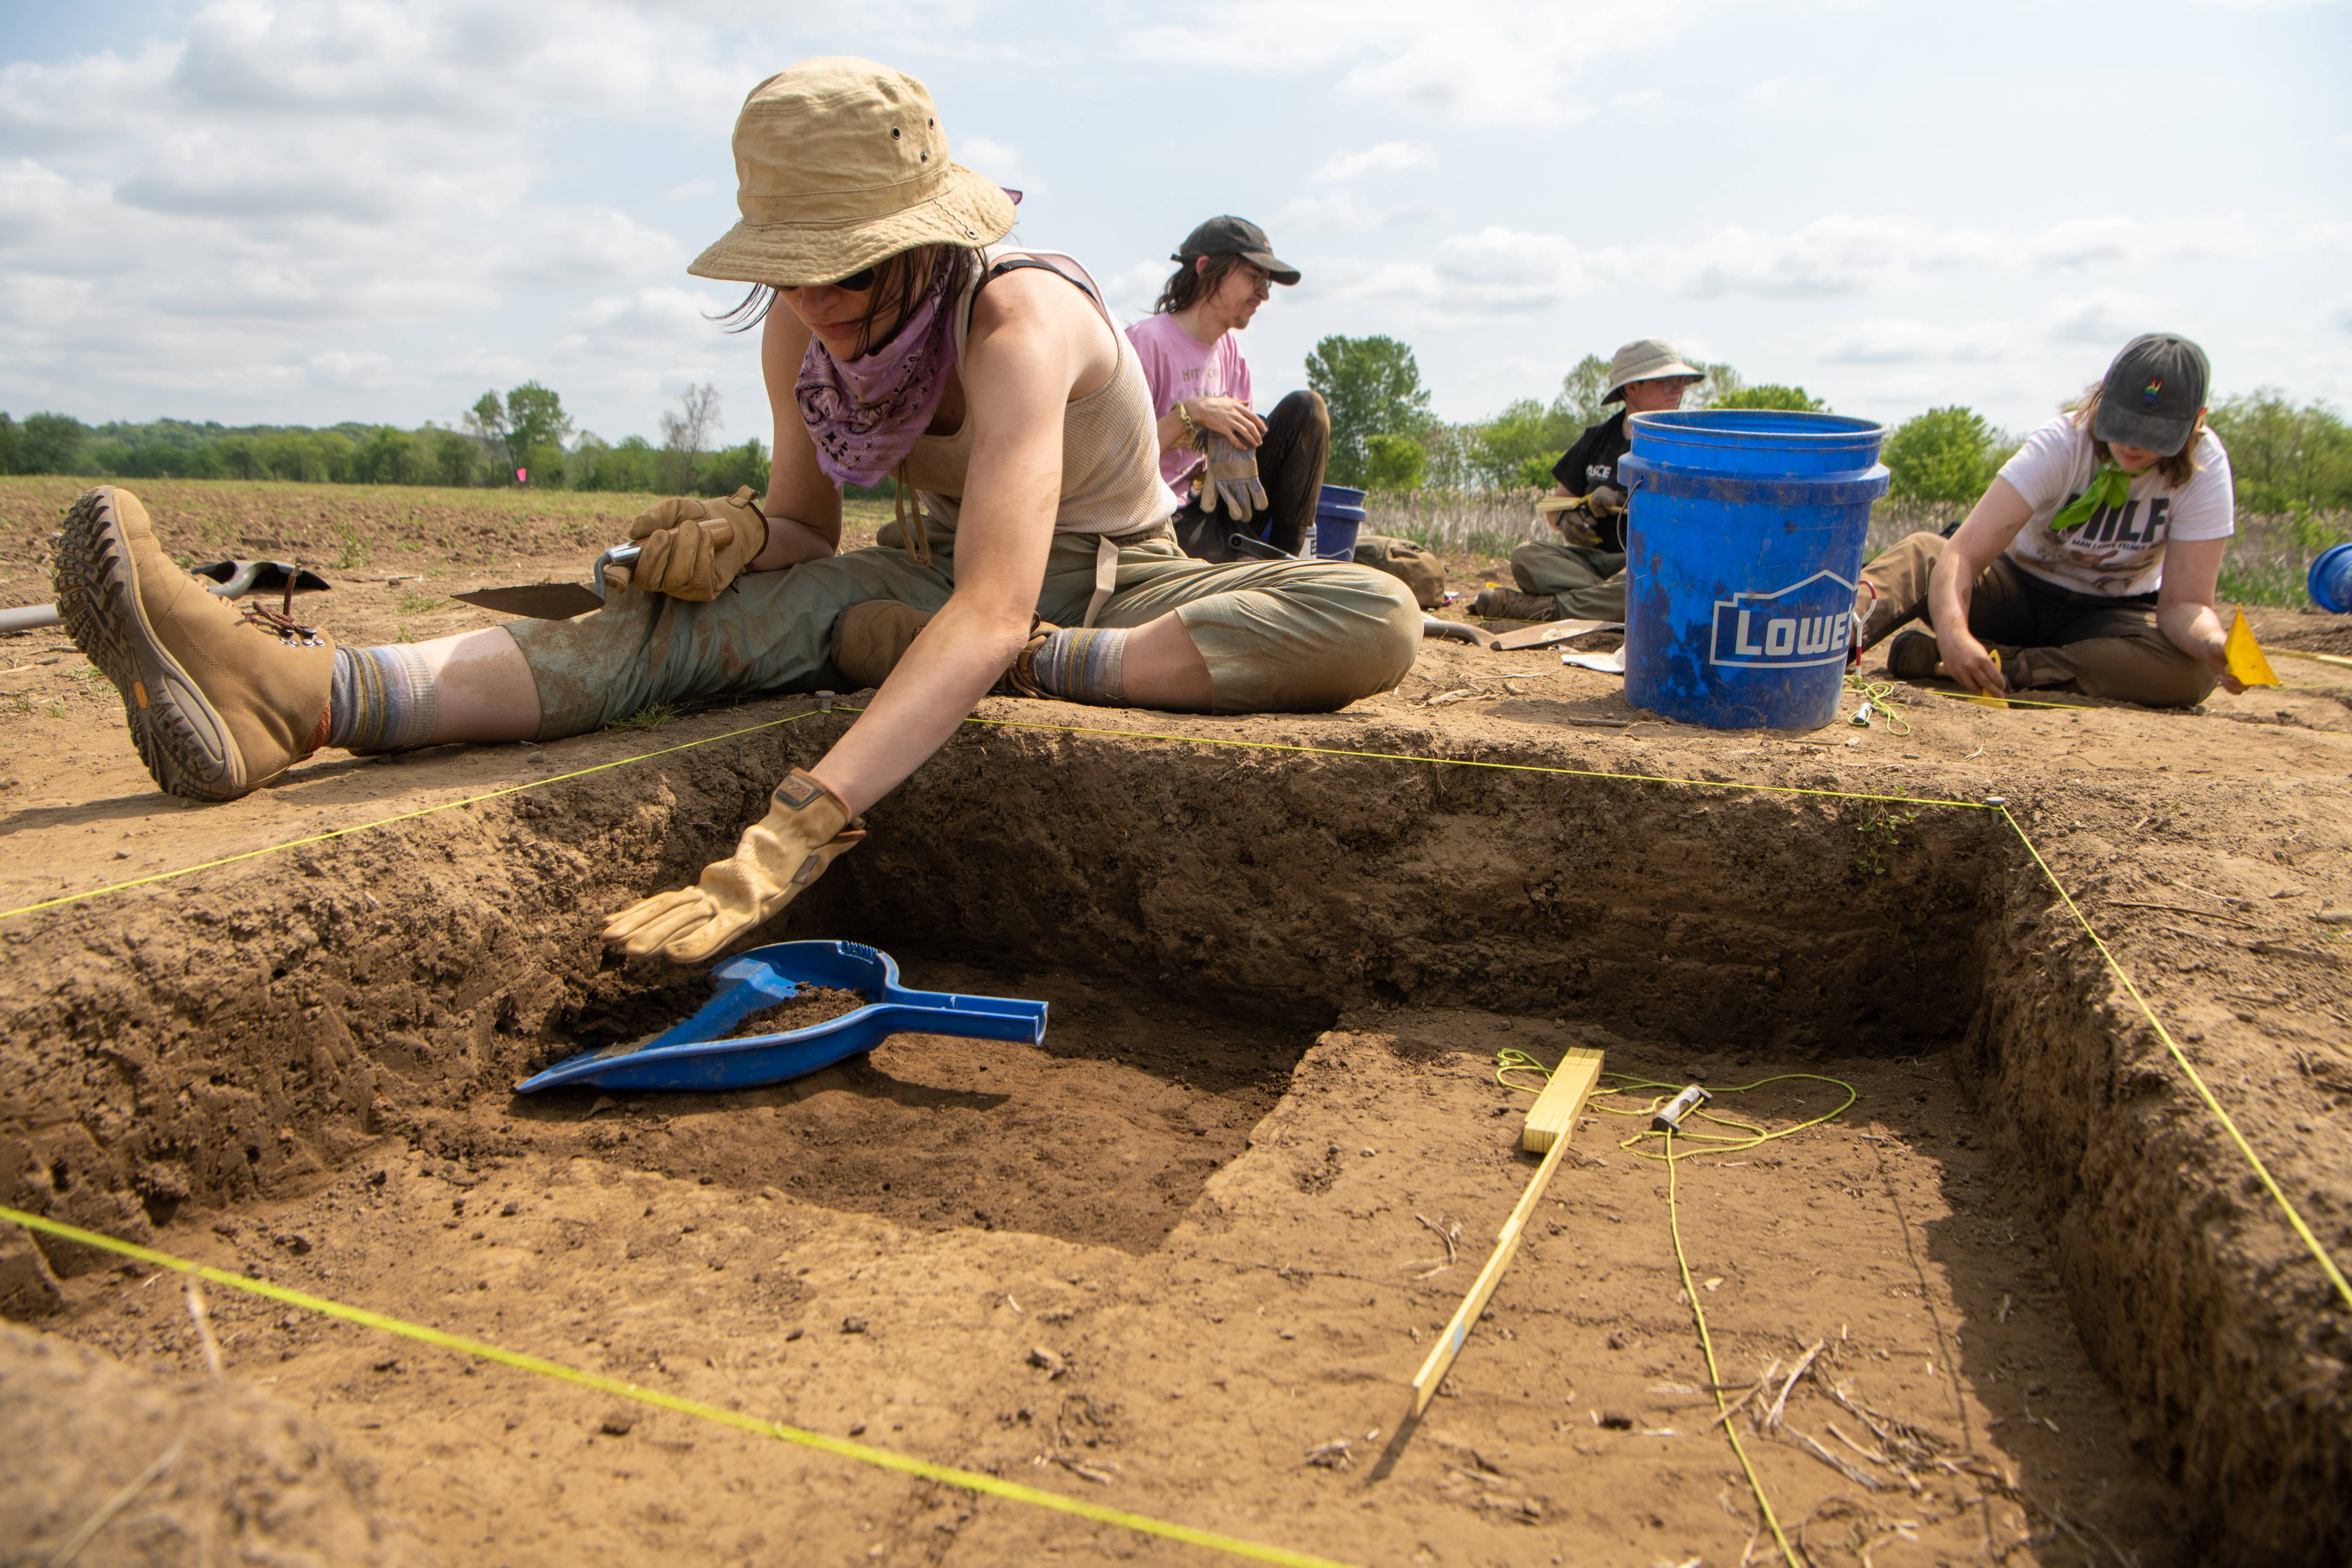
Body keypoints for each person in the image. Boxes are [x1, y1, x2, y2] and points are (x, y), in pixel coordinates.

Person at [53, 57, 1420, 965]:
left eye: (850, 270)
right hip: (910, 586)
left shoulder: (1019, 323)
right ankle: (299, 695)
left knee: (1374, 617)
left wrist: (792, 830)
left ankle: (1058, 680)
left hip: (1110, 588)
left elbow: (999, 603)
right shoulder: (803, 336)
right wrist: (725, 543)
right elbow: (807, 531)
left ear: (929, 239)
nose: (818, 303)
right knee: (663, 626)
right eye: (797, 271)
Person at [1854, 333, 2242, 708]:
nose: (2132, 443)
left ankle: (1999, 665)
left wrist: (2213, 643)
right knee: (1923, 553)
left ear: (2196, 422)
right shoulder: (2063, 442)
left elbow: (2184, 604)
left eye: (2153, 434)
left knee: (2192, 672)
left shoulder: (2205, 467)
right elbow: (1963, 555)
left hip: (2108, 619)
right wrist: (1955, 635)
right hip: (2016, 592)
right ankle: (1814, 647)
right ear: (2101, 398)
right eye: (2123, 424)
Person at [1128, 216, 1330, 562]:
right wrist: (1193, 413)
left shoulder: (1231, 352)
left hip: (1220, 504)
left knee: (1307, 410)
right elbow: (1118, 461)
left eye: (1267, 282)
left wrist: (1233, 451)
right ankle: (1257, 573)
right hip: (1162, 519)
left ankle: (1284, 566)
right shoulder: (1147, 343)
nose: (1264, 294)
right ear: (1206, 269)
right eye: (1254, 277)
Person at [1471, 338, 1703, 622]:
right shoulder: (1597, 439)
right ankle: (1610, 603)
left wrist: (1623, 502)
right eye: (1667, 382)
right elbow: (1550, 506)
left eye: (1681, 381)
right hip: (1592, 565)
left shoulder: (1690, 445)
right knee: (1525, 557)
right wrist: (1569, 516)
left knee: (1660, 578)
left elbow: (1694, 521)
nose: (1678, 389)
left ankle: (1547, 609)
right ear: (1632, 387)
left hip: (1648, 562)